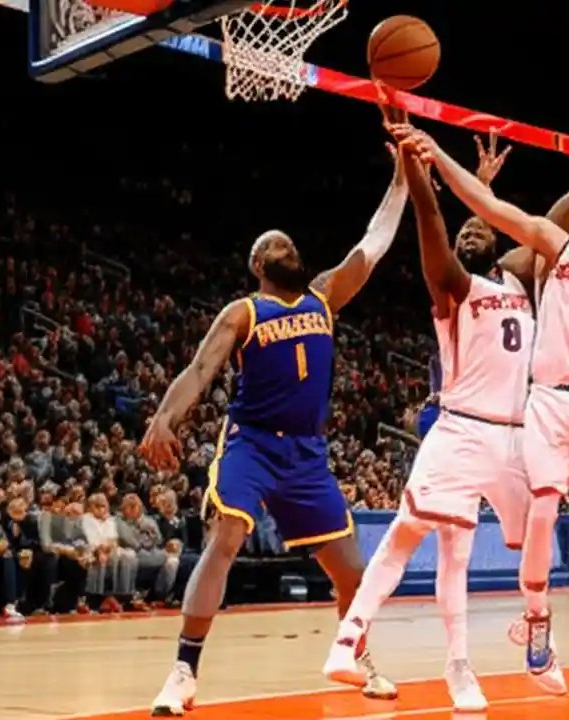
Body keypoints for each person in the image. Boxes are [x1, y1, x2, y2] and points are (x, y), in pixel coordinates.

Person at [387, 91, 569, 692]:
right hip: (545, 401)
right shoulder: (554, 244)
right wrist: (437, 152)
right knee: (543, 511)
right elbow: (487, 204)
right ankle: (537, 616)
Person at [140, 131, 408, 717]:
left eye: (288, 239)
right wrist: (164, 417)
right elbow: (200, 369)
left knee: (352, 572)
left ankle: (355, 654)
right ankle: (184, 671)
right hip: (252, 445)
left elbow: (376, 241)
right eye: (274, 243)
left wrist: (403, 179)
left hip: (307, 455)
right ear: (260, 263)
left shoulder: (324, 296)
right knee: (227, 538)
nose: (286, 244)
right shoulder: (245, 311)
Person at [325, 129, 529, 713]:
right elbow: (439, 226)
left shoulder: (520, 279)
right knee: (417, 541)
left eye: (481, 228)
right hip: (461, 426)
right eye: (467, 228)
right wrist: (418, 169)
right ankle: (369, 647)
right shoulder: (455, 286)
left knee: (485, 548)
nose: (472, 231)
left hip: (511, 439)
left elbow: (506, 224)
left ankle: (522, 637)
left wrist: (483, 189)